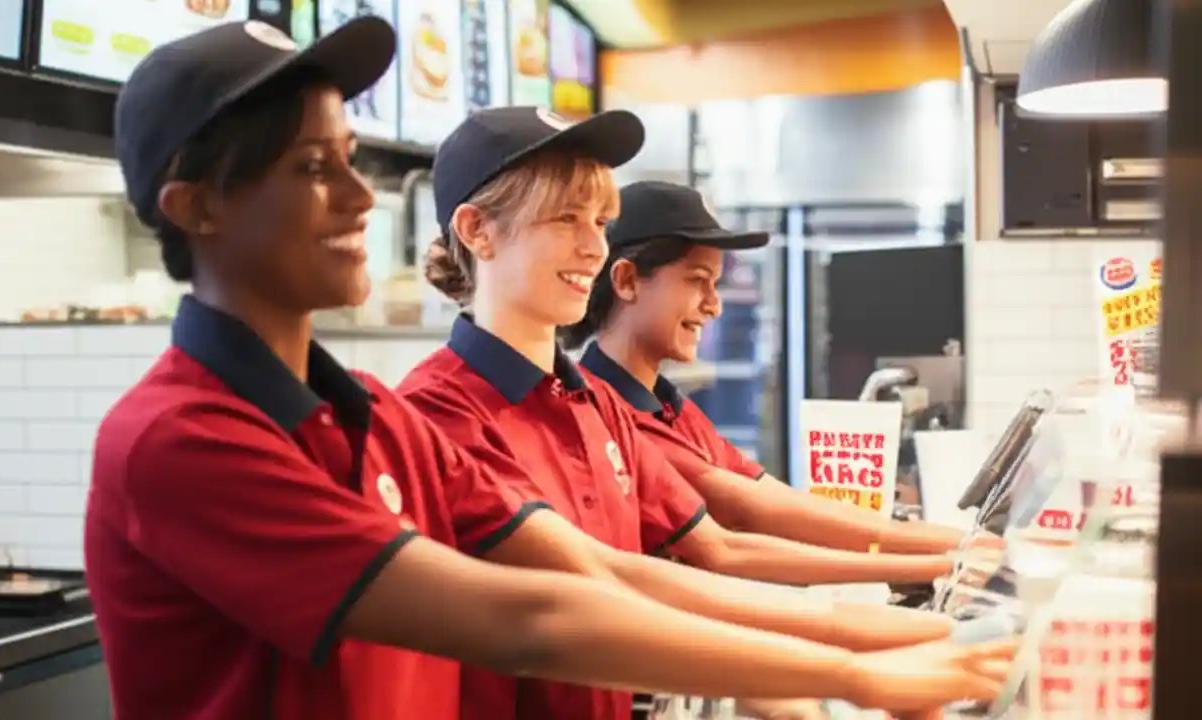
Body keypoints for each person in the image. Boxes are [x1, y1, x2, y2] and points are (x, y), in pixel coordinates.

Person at [83, 18, 1014, 720]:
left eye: (352, 160)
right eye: (311, 167)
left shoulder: (370, 414)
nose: (362, 197)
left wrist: (940, 632)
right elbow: (528, 619)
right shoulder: (182, 441)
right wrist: (859, 672)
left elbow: (611, 575)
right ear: (195, 206)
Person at [400, 107, 1007, 720]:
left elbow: (705, 554)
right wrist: (877, 654)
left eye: (601, 221)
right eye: (565, 218)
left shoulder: (596, 403)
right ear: (477, 230)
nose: (592, 247)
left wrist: (909, 633)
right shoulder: (436, 416)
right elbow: (615, 583)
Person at [561, 180, 976, 556]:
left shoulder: (673, 409)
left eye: (715, 284)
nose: (714, 305)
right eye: (696, 280)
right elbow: (750, 514)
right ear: (628, 279)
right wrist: (951, 550)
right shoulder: (607, 412)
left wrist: (940, 541)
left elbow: (775, 497)